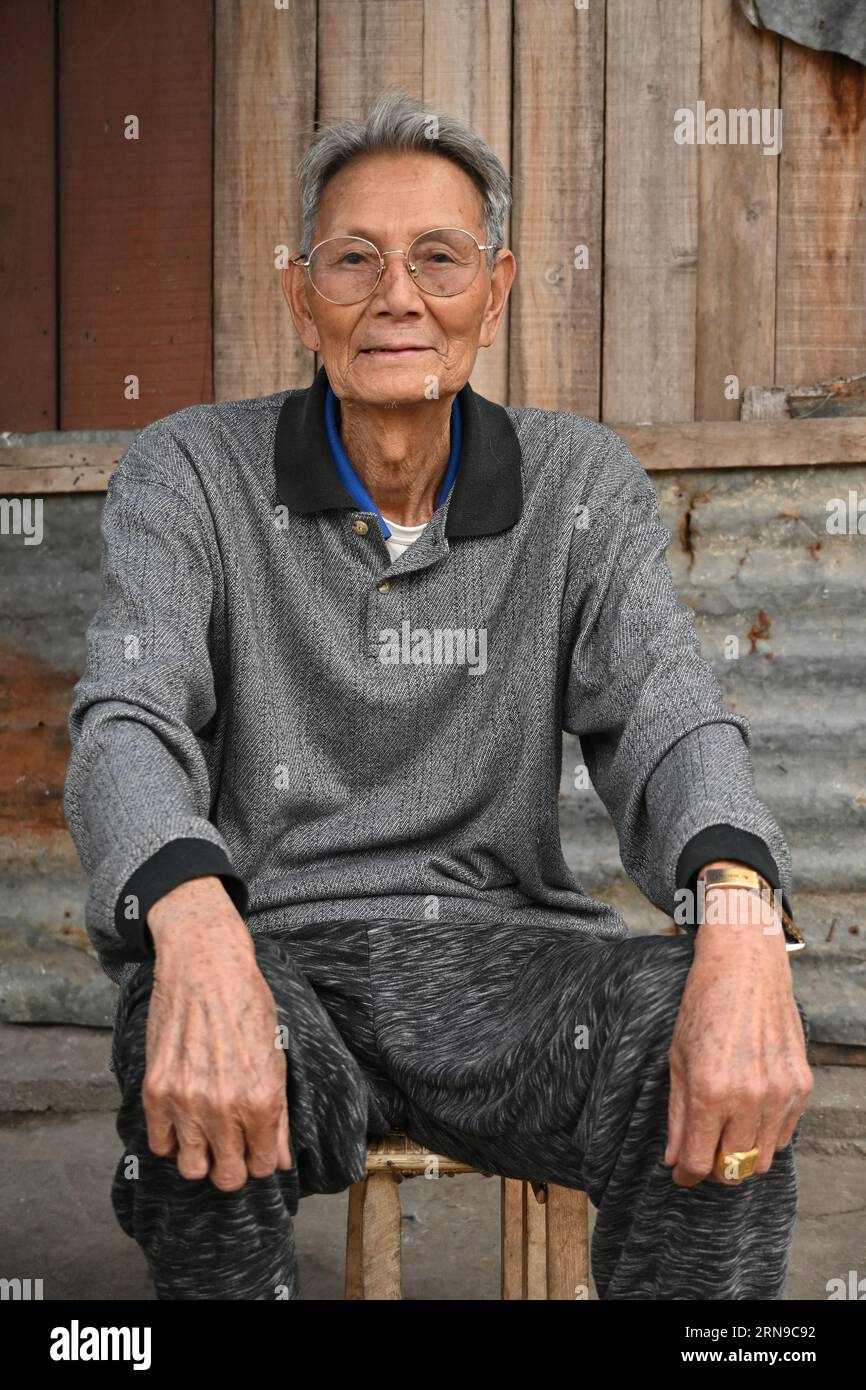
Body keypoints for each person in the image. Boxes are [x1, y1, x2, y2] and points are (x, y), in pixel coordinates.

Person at [64, 89, 812, 1301]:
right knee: (178, 1020)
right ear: (300, 291)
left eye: (438, 259)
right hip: (277, 969)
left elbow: (668, 714)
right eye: (353, 259)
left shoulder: (577, 481)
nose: (396, 296)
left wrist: (738, 914)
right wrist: (193, 925)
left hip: (512, 980)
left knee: (705, 1019)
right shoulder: (191, 470)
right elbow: (126, 720)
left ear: (498, 287)